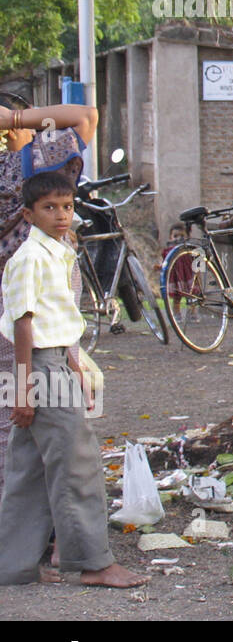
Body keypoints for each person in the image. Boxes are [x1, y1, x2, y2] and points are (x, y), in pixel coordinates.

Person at [0, 171, 145, 587]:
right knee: (77, 465)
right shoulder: (29, 257)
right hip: (38, 369)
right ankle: (93, 563)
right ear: (29, 214)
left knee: (28, 468)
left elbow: (57, 321)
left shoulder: (58, 251)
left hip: (54, 364)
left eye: (66, 207)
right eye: (49, 208)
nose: (61, 215)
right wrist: (25, 389)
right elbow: (24, 326)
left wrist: (75, 366)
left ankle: (13, 565)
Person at [0, 97, 97, 503]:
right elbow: (84, 115)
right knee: (55, 433)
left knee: (16, 430)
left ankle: (23, 536)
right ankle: (54, 535)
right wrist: (17, 120)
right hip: (42, 336)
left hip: (24, 324)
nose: (61, 213)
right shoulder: (32, 167)